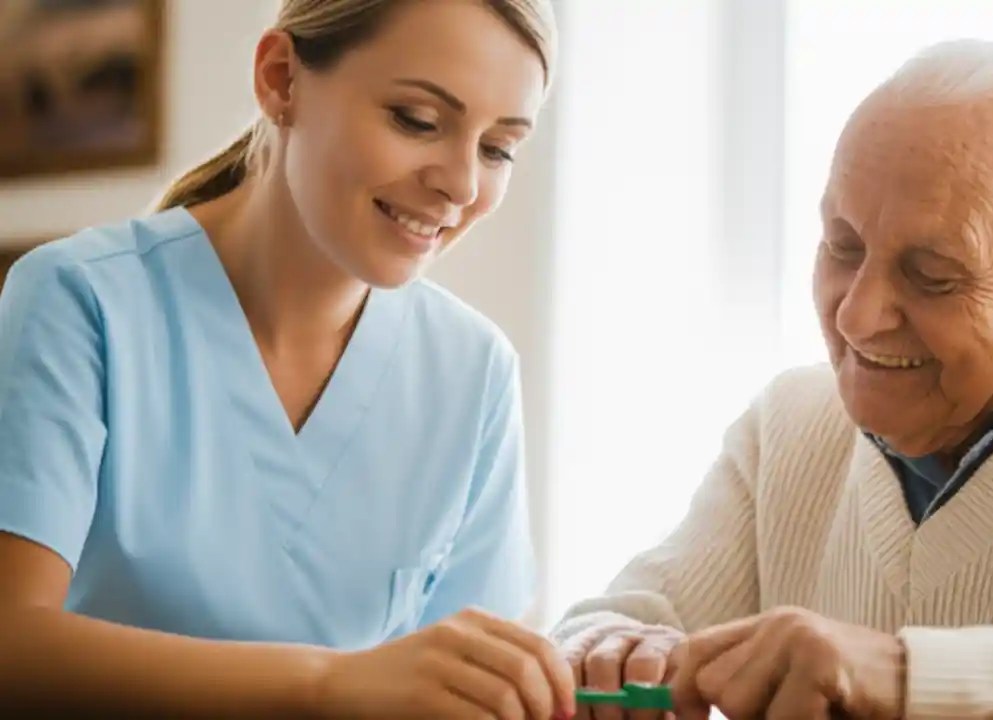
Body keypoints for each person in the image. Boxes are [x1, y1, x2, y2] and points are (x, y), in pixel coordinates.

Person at [553, 40, 993, 719]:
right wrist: (601, 646)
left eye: (932, 276)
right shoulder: (791, 426)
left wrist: (910, 678)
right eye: (842, 247)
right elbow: (631, 619)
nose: (858, 317)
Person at [0, 1, 577, 717]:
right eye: (417, 120)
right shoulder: (80, 300)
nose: (460, 185)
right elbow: (11, 645)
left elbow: (469, 689)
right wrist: (330, 685)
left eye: (497, 149)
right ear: (281, 81)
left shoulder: (474, 374)